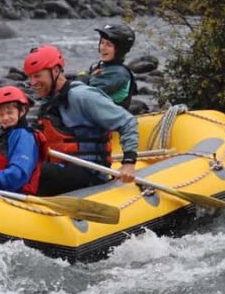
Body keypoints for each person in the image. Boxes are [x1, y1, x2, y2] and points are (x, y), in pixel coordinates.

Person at [24, 44, 139, 195]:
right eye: (30, 77)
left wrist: (129, 163)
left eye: (37, 76)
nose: (33, 83)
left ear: (56, 71)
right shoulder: (49, 102)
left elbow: (128, 122)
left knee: (37, 173)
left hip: (90, 173)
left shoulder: (83, 96)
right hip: (63, 169)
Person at [0, 86, 47, 194]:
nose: (5, 118)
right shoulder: (4, 133)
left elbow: (20, 171)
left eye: (10, 113)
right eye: (0, 115)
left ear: (22, 111)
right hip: (3, 188)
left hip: (18, 192)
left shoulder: (24, 136)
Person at [81, 23, 138, 110]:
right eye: (102, 43)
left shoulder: (118, 74)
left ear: (120, 50)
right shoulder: (100, 66)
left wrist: (82, 78)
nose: (103, 48)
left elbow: (86, 96)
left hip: (106, 122)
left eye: (108, 45)